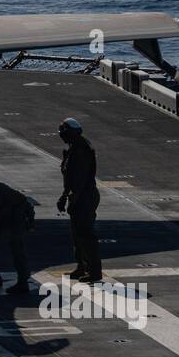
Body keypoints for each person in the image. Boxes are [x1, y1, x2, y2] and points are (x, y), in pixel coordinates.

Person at [56, 117, 102, 283]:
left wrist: (72, 200)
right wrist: (65, 196)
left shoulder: (80, 151)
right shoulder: (76, 148)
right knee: (77, 234)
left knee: (86, 235)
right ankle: (82, 266)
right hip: (80, 195)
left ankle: (94, 271)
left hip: (84, 196)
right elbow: (70, 178)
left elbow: (80, 180)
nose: (61, 136)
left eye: (63, 133)